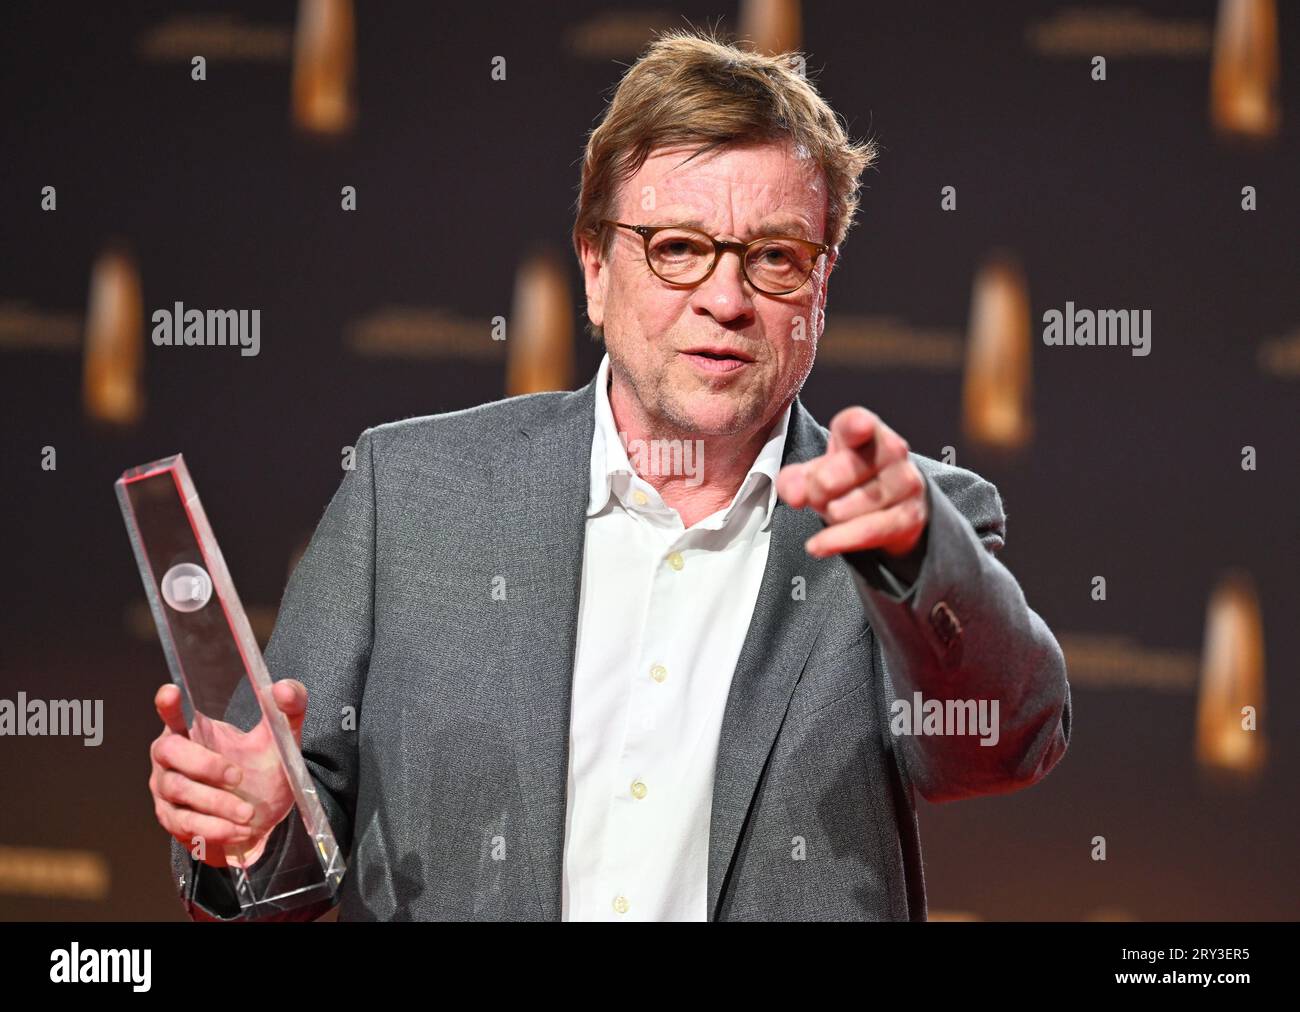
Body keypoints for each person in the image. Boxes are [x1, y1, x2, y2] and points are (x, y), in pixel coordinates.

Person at [148, 28, 1070, 922]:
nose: (725, 298)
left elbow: (997, 748)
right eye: (677, 247)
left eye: (776, 258)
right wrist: (259, 830)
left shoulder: (911, 529)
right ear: (594, 267)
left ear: (821, 291)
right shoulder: (413, 491)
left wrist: (917, 559)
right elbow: (291, 845)